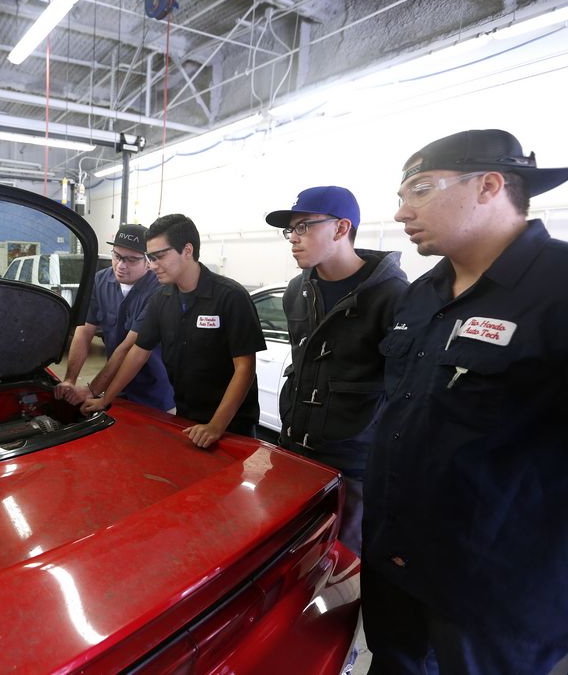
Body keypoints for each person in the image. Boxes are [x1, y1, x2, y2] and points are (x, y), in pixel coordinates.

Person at [362, 129, 568, 675]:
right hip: (397, 564)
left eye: (421, 189)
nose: (403, 211)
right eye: (402, 195)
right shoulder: (423, 293)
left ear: (490, 186)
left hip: (495, 592)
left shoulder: (558, 288)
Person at [263, 186, 407, 553]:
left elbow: (402, 391)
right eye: (290, 230)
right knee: (292, 547)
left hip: (352, 463)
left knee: (342, 559)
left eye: (304, 227)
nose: (293, 239)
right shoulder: (298, 289)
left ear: (342, 228)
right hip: (293, 448)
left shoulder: (393, 296)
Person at [82, 214, 266, 445]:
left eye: (159, 257)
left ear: (187, 250)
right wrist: (105, 399)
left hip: (232, 425)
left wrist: (216, 426)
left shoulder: (230, 297)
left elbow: (245, 368)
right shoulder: (162, 298)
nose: (153, 265)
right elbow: (138, 352)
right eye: (150, 258)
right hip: (186, 418)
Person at [55, 224, 174, 412]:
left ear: (148, 261)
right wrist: (70, 379)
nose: (121, 265)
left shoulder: (159, 291)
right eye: (117, 256)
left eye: (131, 260)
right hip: (115, 391)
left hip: (153, 394)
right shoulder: (100, 281)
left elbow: (128, 348)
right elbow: (84, 331)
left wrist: (92, 390)